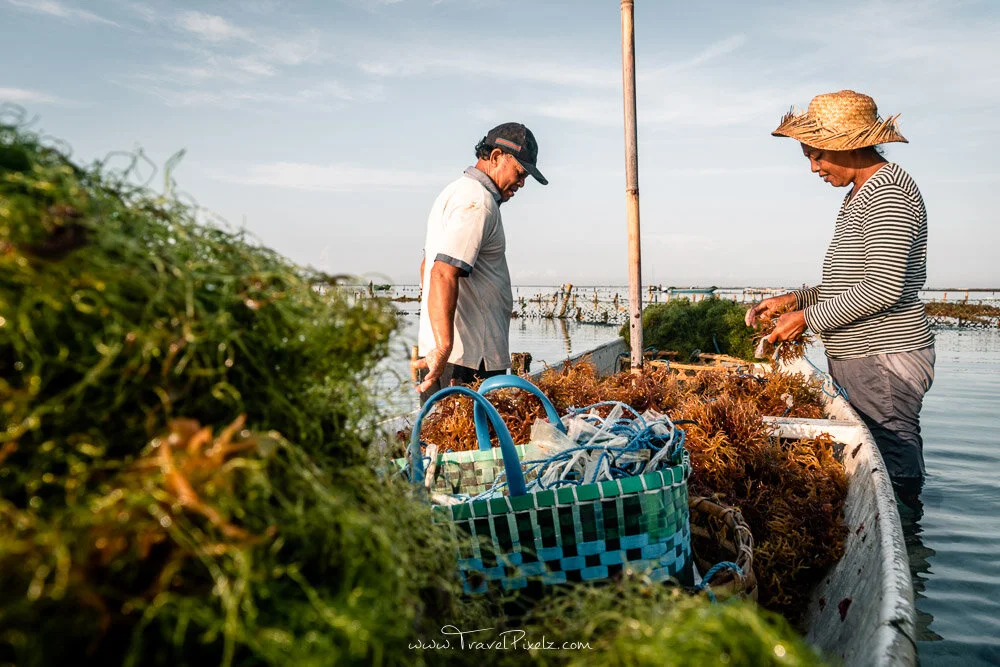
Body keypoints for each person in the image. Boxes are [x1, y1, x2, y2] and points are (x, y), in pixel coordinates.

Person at [745, 90, 934, 506]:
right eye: (808, 157)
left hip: (884, 357)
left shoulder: (889, 193)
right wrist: (792, 300)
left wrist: (805, 320)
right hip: (863, 359)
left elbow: (881, 288)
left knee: (895, 460)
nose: (813, 168)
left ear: (847, 146)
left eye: (817, 155)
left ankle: (910, 542)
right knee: (883, 457)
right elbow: (846, 285)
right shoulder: (860, 194)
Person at [413, 122, 548, 404]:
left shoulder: (452, 194)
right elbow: (441, 272)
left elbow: (426, 267)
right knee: (477, 444)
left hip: (450, 358)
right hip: (468, 363)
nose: (522, 183)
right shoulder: (479, 202)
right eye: (520, 173)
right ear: (496, 156)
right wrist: (444, 346)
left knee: (441, 445)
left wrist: (436, 346)